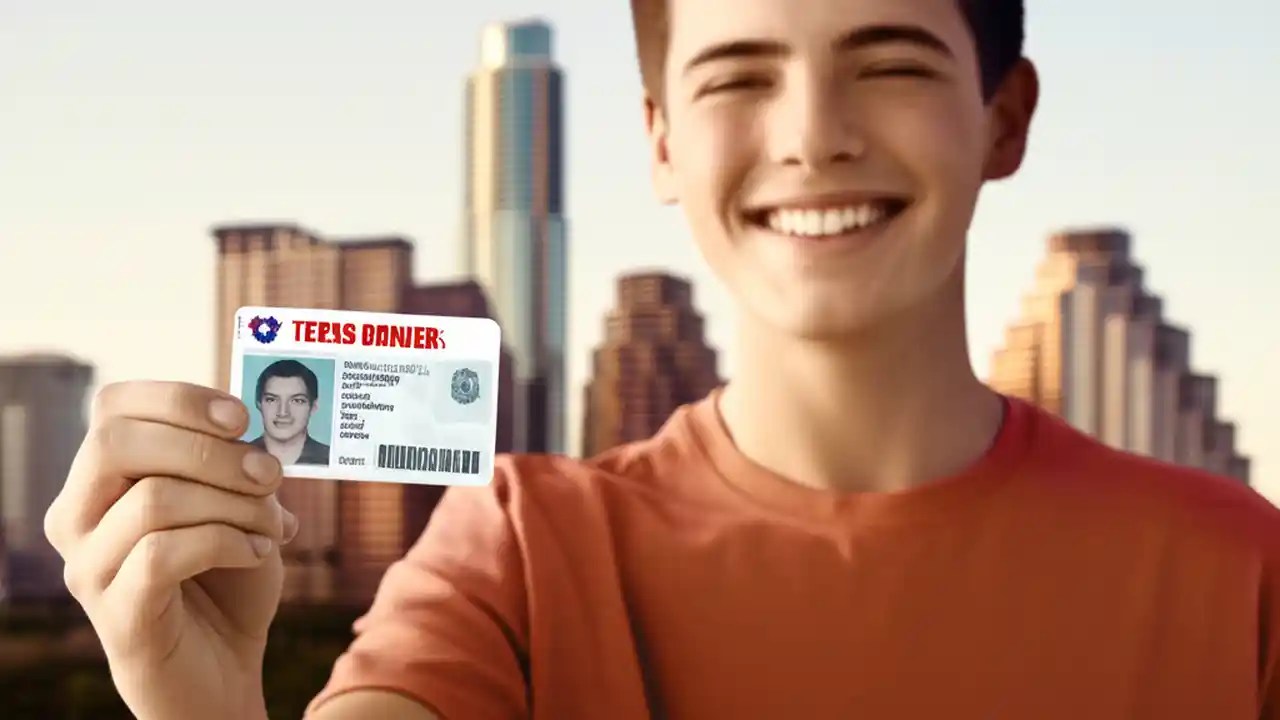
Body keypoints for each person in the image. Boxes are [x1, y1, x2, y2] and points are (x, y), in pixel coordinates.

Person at [42, 0, 1280, 718]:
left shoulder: (1238, 571)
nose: (812, 137)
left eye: (889, 64)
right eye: (740, 76)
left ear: (1001, 117)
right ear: (660, 146)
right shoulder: (516, 551)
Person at [249, 359, 331, 466]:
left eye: (297, 401)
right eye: (272, 400)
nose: (283, 412)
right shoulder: (241, 455)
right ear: (259, 404)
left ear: (313, 407)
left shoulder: (331, 459)